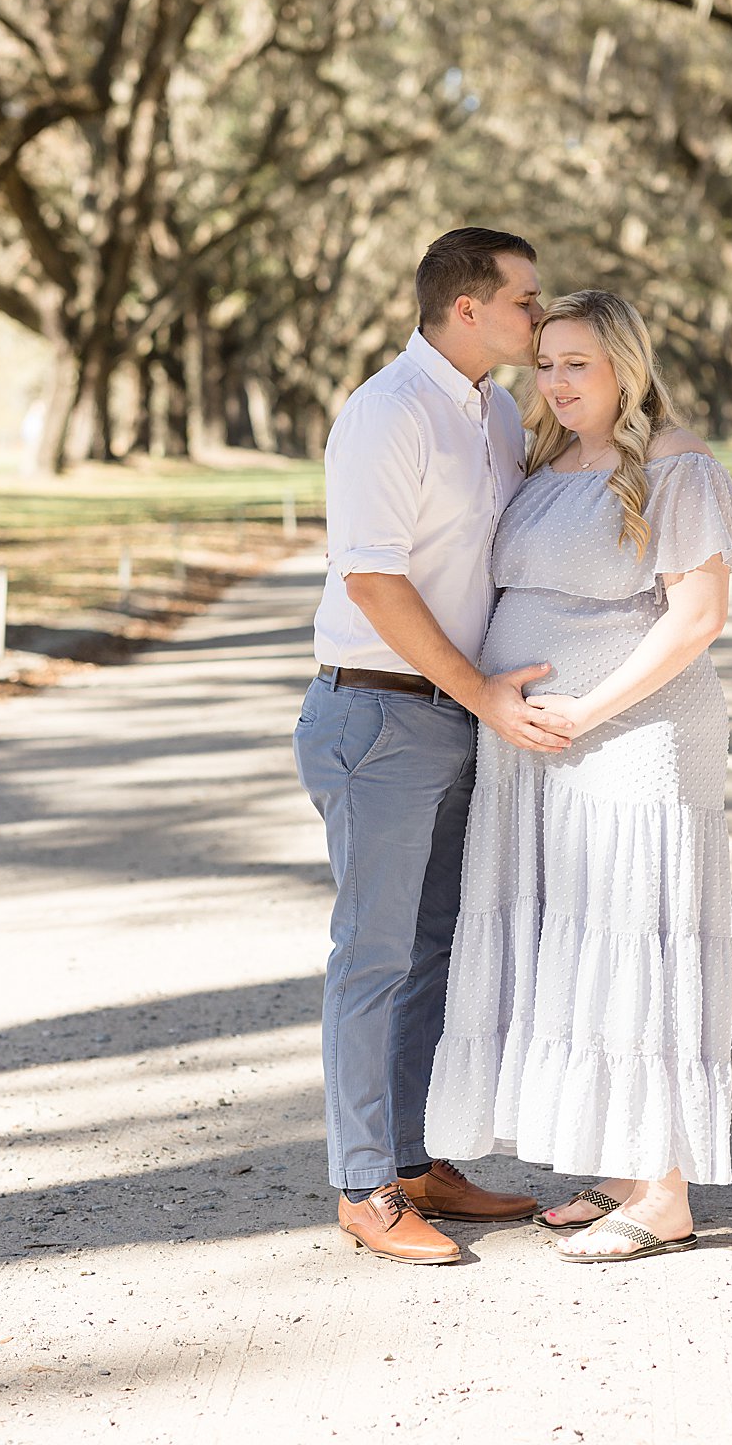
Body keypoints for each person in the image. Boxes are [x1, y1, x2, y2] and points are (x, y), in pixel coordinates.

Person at [424, 289, 732, 1262]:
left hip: (630, 739)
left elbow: (694, 620)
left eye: (578, 365)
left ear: (624, 368)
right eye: (545, 365)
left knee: (633, 940)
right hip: (541, 747)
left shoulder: (678, 469)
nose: (556, 384)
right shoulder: (546, 460)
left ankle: (666, 1195)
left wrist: (584, 712)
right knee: (571, 945)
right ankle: (625, 1165)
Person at [293, 227, 572, 1266]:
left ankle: (413, 1163)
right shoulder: (385, 413)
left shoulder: (493, 410)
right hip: (376, 713)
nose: (536, 319)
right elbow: (371, 580)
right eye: (524, 302)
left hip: (456, 717)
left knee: (432, 955)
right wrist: (482, 697)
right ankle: (363, 1192)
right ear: (467, 308)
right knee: (370, 957)